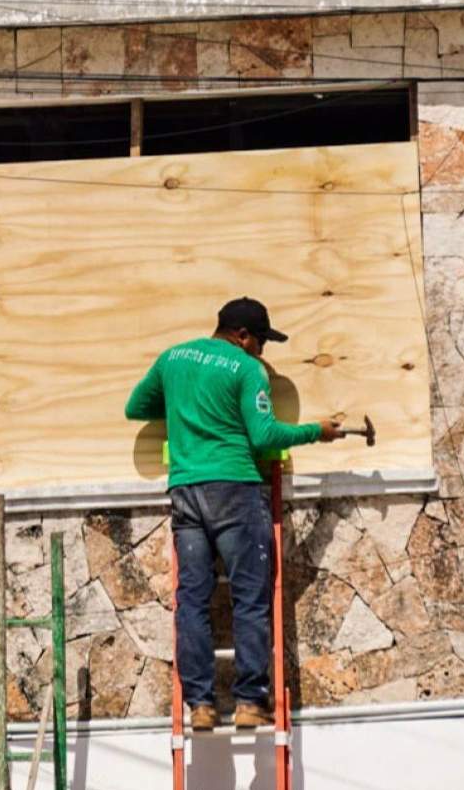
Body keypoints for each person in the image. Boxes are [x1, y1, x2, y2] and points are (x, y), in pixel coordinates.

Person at [124, 298, 339, 730]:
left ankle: (200, 706)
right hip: (236, 491)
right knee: (250, 600)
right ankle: (248, 702)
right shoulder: (245, 369)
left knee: (192, 601)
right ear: (242, 336)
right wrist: (318, 431)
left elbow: (136, 407)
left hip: (186, 491)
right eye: (260, 343)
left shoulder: (173, 358)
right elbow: (263, 436)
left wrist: (187, 409)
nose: (261, 353)